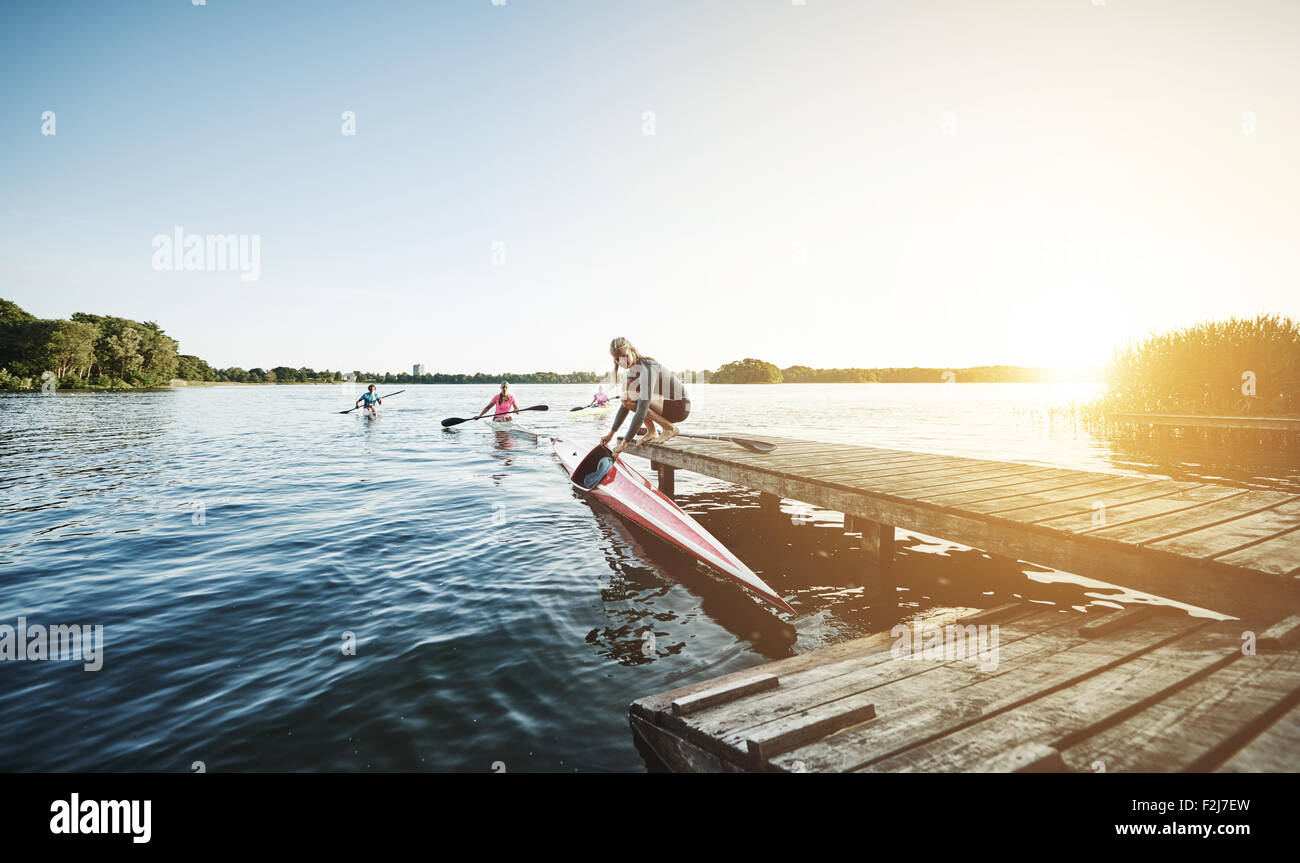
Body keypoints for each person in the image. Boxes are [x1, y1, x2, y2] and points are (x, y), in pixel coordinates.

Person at [601, 337, 690, 456]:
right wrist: (611, 434)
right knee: (626, 393)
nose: (622, 362)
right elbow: (625, 405)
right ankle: (651, 431)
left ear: (631, 350)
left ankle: (669, 428)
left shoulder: (646, 369)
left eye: (624, 356)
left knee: (628, 395)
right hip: (665, 405)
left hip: (679, 407)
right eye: (618, 359)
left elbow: (642, 409)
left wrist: (624, 443)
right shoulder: (633, 371)